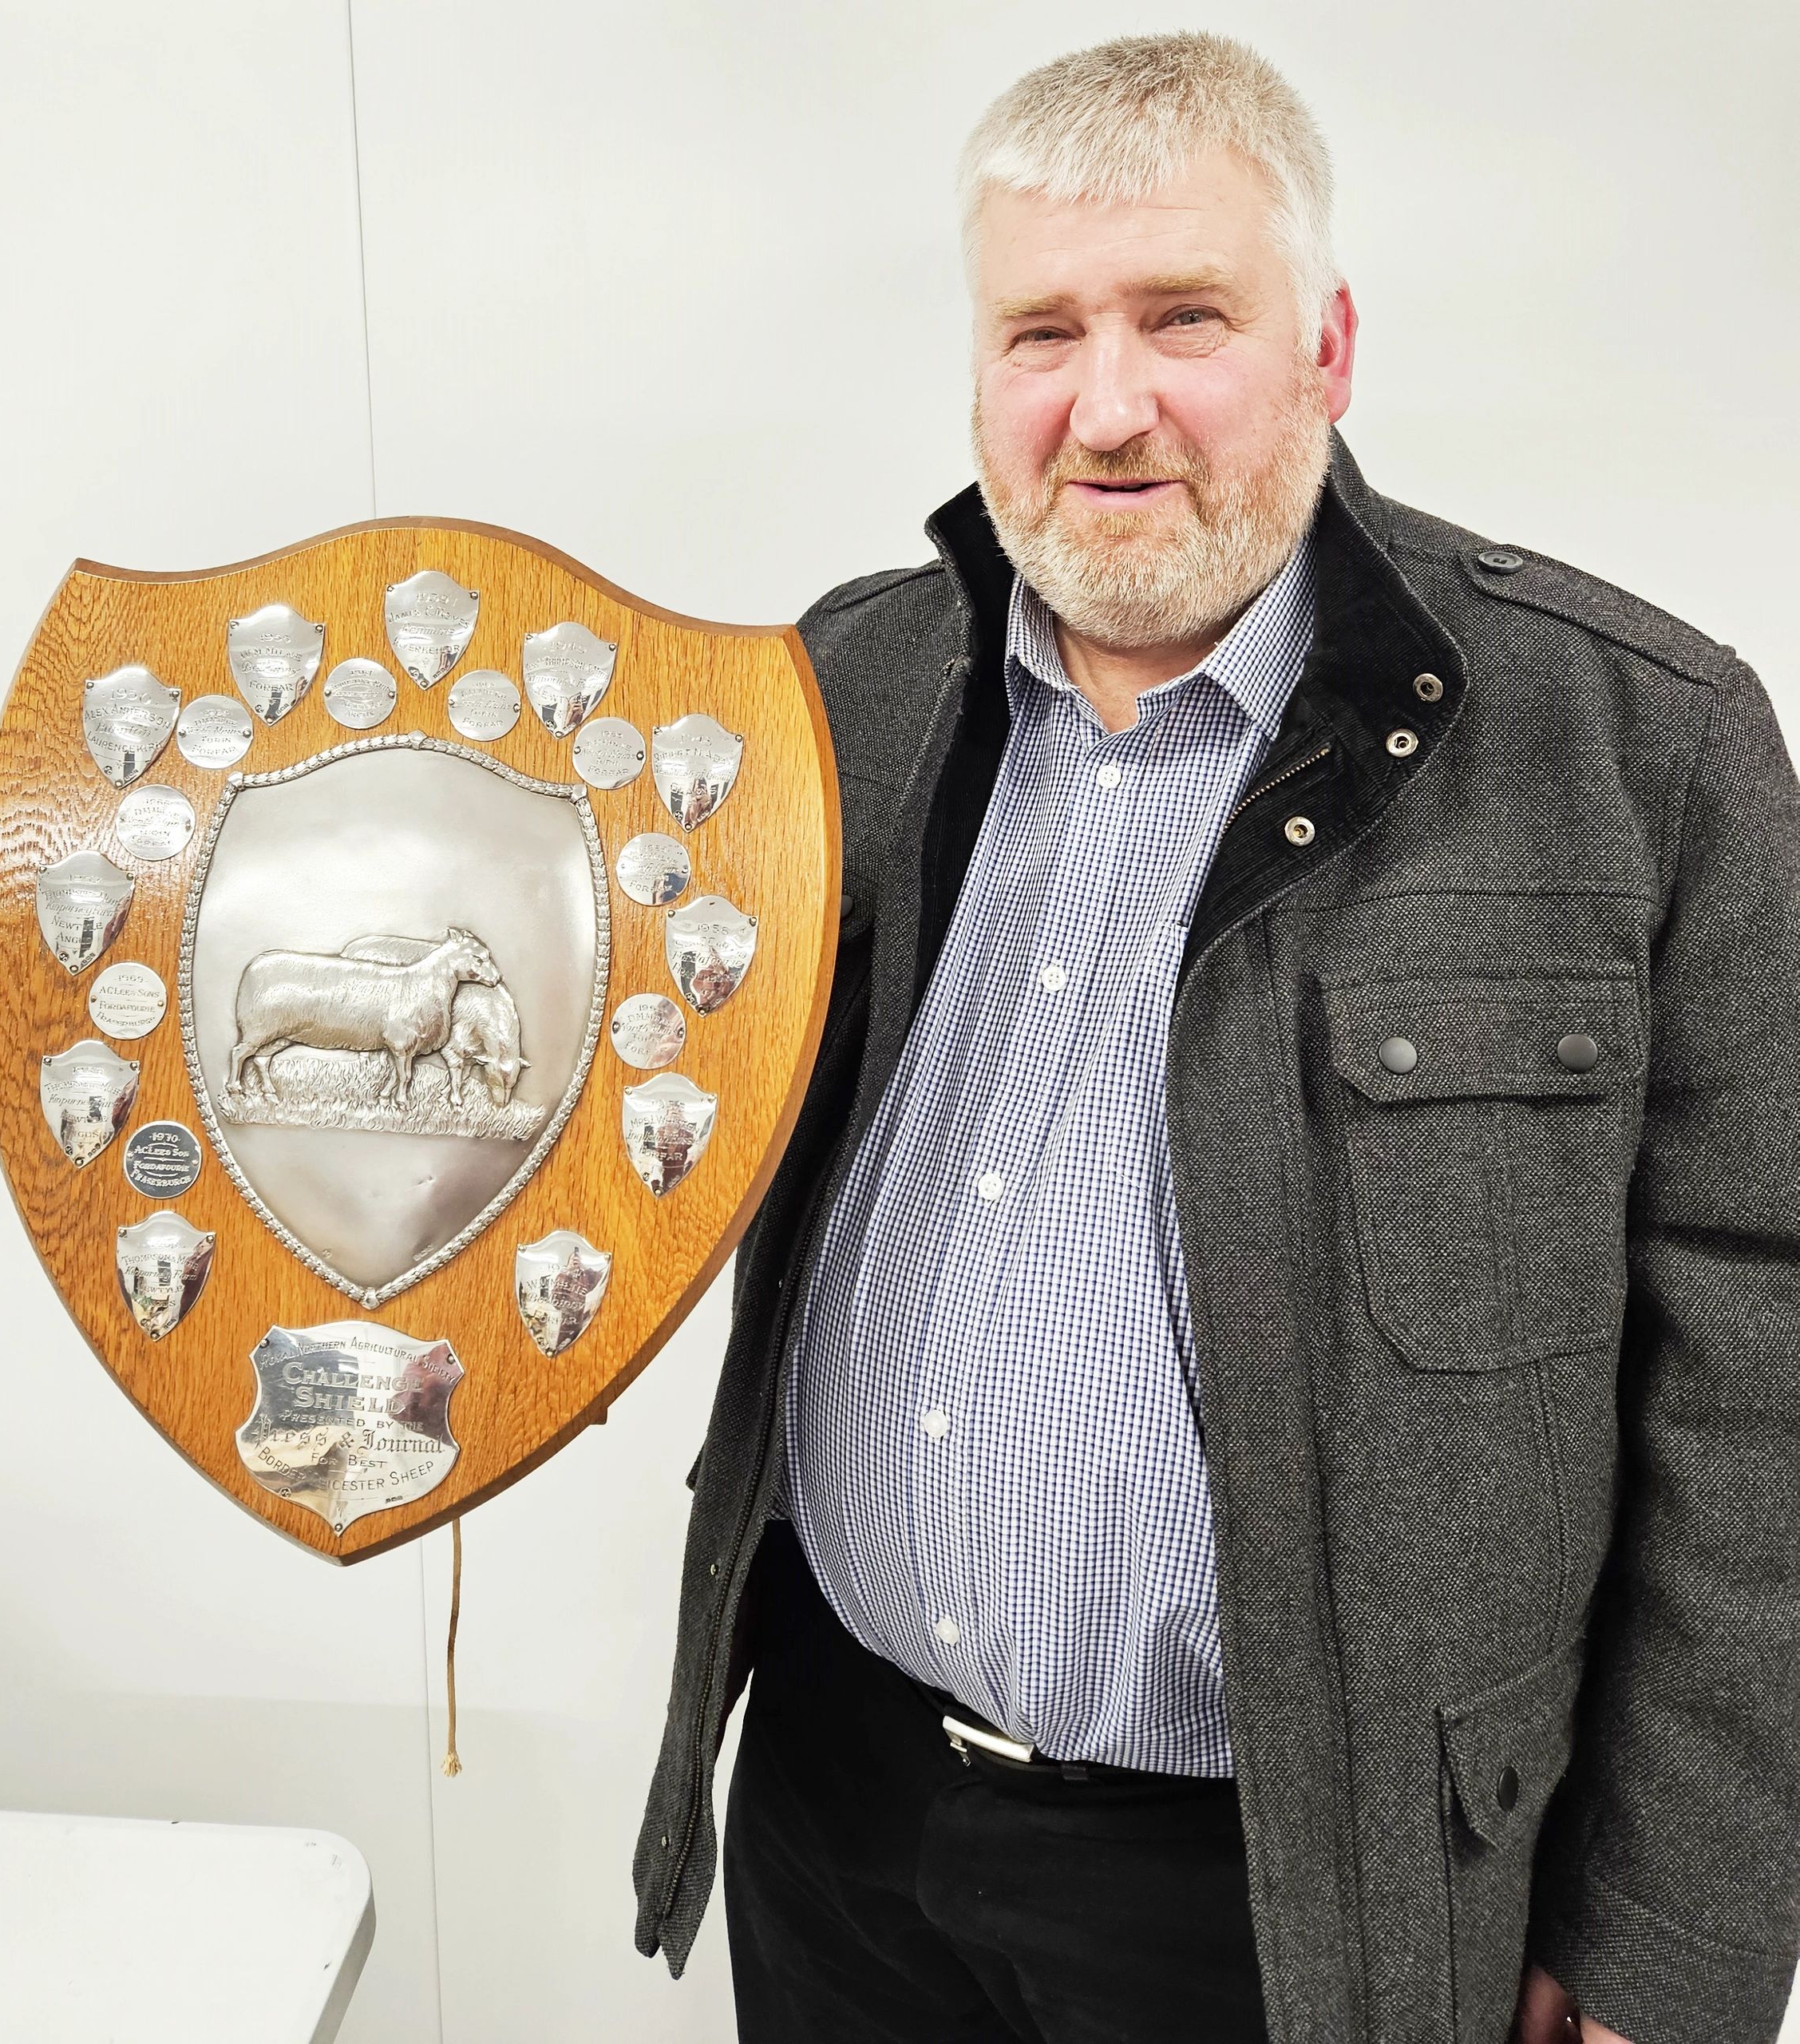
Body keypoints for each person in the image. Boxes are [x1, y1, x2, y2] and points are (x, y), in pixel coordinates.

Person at [634, 31, 1800, 2044]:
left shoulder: (1636, 746)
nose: (1106, 407)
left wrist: (1662, 1955)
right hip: (837, 1806)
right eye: (1039, 333)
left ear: (1327, 340)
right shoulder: (839, 687)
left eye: (1183, 317)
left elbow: (1761, 1379)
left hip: (1288, 1892)